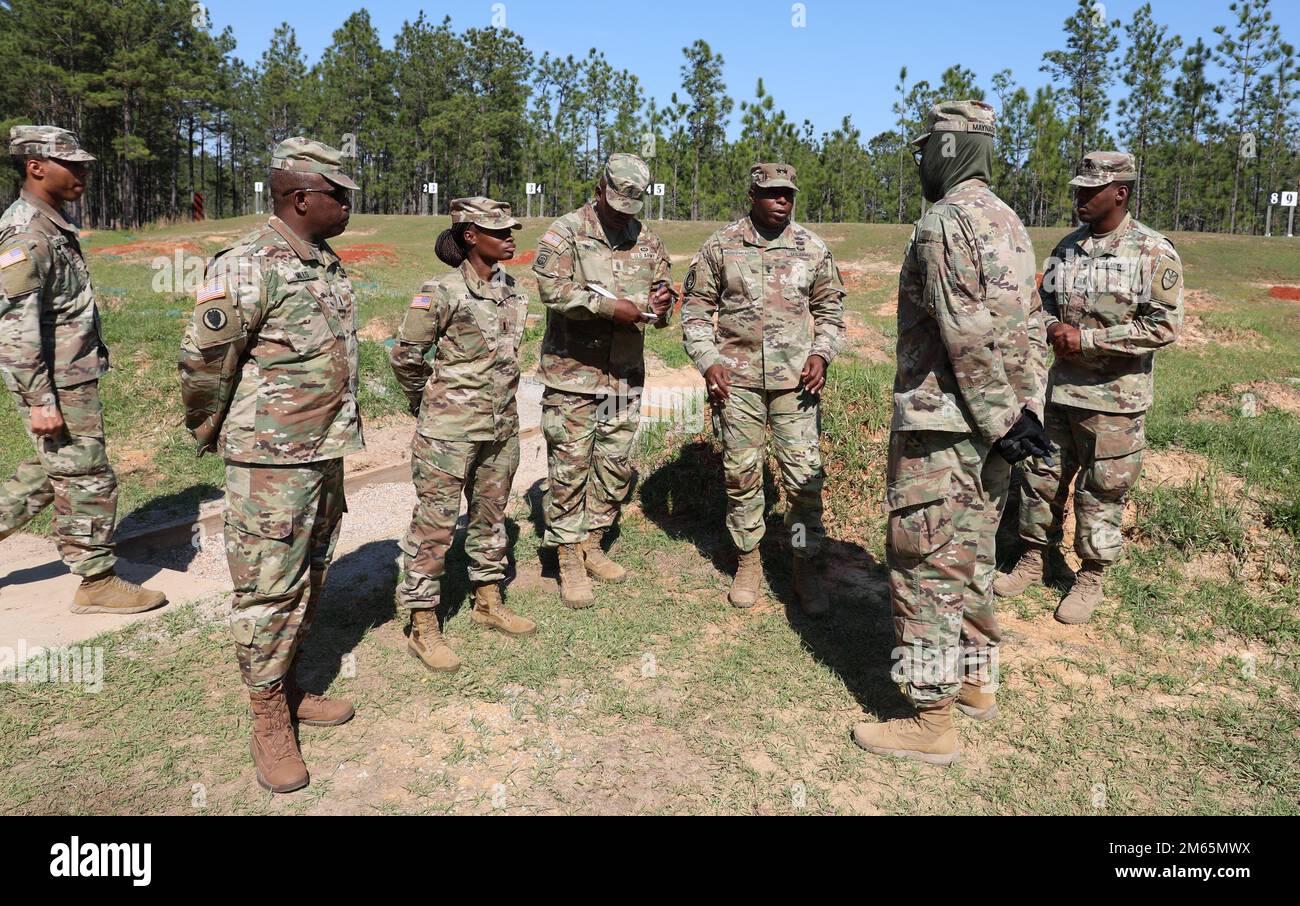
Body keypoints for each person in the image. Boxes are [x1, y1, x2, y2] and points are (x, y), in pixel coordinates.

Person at [853, 101, 1050, 765]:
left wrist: (1002, 415)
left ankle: (930, 719)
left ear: (948, 150)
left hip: (946, 426)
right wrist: (1028, 415)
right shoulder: (1010, 222)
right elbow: (1033, 328)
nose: (917, 160)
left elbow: (964, 330)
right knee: (972, 557)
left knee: (925, 562)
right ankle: (975, 682)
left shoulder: (945, 221)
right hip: (1001, 430)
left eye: (924, 148)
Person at [179, 137, 362, 794]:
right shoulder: (247, 264)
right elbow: (204, 363)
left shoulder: (323, 263)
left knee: (309, 576)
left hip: (321, 452)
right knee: (267, 589)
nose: (346, 204)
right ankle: (266, 718)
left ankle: (286, 687)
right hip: (268, 463)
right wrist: (216, 431)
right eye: (339, 194)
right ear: (300, 196)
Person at [994, 151, 1183, 624]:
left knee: (1102, 491)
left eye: (1089, 190)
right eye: (1077, 189)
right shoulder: (1066, 249)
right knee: (1041, 480)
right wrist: (1055, 327)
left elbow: (1163, 327)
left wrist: (1090, 339)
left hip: (1115, 402)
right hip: (1059, 395)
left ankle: (1092, 574)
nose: (1078, 197)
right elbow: (1046, 307)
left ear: (1119, 193)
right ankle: (1035, 558)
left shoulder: (1152, 251)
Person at [0, 125, 166, 614]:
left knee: (54, 469)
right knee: (87, 475)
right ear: (35, 167)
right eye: (71, 164)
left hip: (70, 377)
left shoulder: (50, 223)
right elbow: (15, 328)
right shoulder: (27, 232)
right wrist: (40, 400)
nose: (83, 172)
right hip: (55, 383)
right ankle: (95, 581)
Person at [680, 163, 845, 613]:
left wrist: (822, 353)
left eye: (788, 194)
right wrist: (710, 361)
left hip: (798, 384)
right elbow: (695, 312)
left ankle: (802, 564)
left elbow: (830, 311)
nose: (781, 202)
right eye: (771, 194)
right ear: (751, 195)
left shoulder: (811, 248)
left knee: (803, 480)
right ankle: (748, 561)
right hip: (737, 385)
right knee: (741, 474)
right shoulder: (721, 246)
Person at [390, 197, 535, 674]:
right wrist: (426, 402)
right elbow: (406, 355)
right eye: (500, 230)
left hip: (500, 427)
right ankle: (423, 622)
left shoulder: (514, 291)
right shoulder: (441, 290)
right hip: (448, 432)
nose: (511, 237)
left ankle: (488, 598)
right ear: (470, 235)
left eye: (512, 228)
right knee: (434, 525)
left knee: (491, 516)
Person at [532, 153, 673, 608]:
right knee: (570, 468)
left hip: (623, 376)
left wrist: (663, 304)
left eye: (631, 208)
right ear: (600, 191)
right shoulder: (567, 232)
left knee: (613, 463)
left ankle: (592, 540)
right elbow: (552, 290)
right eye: (615, 205)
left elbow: (662, 300)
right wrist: (610, 308)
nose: (622, 216)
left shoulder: (648, 241)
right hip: (574, 374)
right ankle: (568, 556)